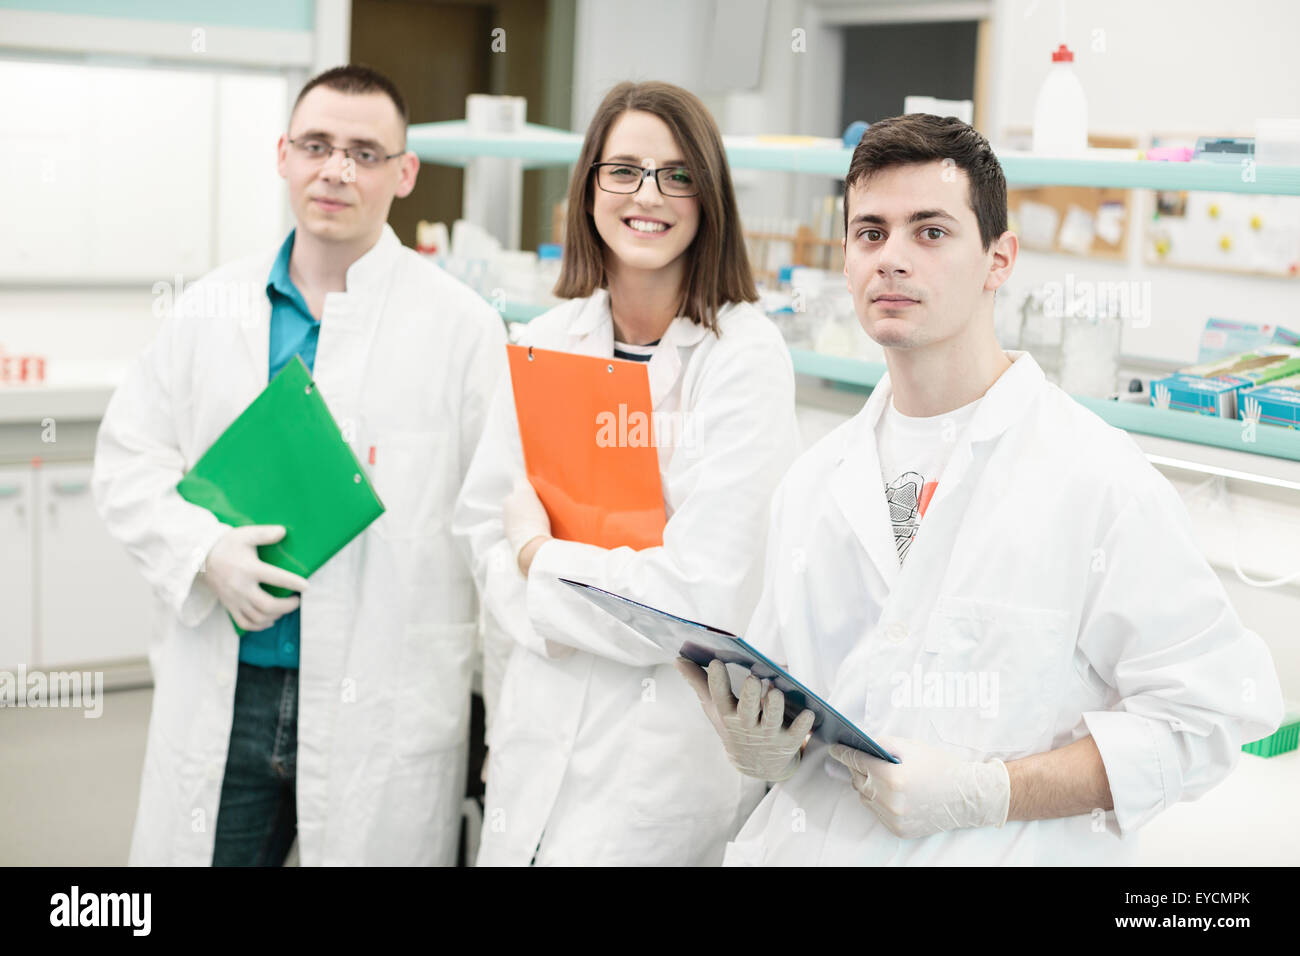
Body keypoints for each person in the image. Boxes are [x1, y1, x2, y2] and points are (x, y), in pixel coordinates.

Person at [679, 113, 1284, 866]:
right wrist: (762, 742)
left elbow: (1206, 720)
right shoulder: (813, 480)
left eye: (930, 232)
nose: (892, 258)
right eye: (870, 233)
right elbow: (794, 695)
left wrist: (991, 790)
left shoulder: (1098, 478)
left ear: (1000, 259)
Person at [93, 65, 505, 866]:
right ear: (283, 154)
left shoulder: (464, 330)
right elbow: (126, 464)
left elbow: (493, 528)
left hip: (382, 701)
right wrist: (204, 551)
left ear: (404, 173)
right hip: (231, 686)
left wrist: (512, 717)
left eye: (364, 151)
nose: (336, 169)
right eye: (316, 145)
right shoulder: (208, 310)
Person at [453, 81, 800, 865]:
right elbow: (483, 530)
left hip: (658, 773)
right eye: (625, 171)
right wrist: (549, 588)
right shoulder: (546, 341)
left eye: (678, 175)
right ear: (589, 187)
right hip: (534, 743)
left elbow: (696, 600)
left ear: (708, 196)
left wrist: (540, 561)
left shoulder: (743, 358)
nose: (650, 195)